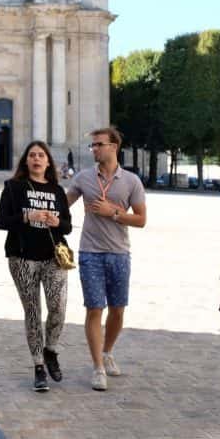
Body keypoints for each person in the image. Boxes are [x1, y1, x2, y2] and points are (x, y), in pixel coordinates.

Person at [65, 126, 146, 391]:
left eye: (99, 144)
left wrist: (113, 212)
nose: (94, 149)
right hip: (90, 252)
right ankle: (98, 366)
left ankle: (108, 351)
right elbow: (62, 205)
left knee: (118, 310)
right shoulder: (83, 178)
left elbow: (141, 219)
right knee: (94, 309)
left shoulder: (131, 181)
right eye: (93, 146)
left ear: (114, 146)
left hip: (120, 253)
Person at [0, 140, 73, 392]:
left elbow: (68, 227)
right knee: (32, 312)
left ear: (48, 161)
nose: (37, 159)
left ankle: (51, 350)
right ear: (26, 161)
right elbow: (1, 221)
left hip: (53, 258)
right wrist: (27, 217)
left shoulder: (58, 191)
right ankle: (39, 365)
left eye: (41, 155)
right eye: (32, 155)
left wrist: (54, 221)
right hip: (22, 257)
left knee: (58, 308)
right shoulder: (14, 188)